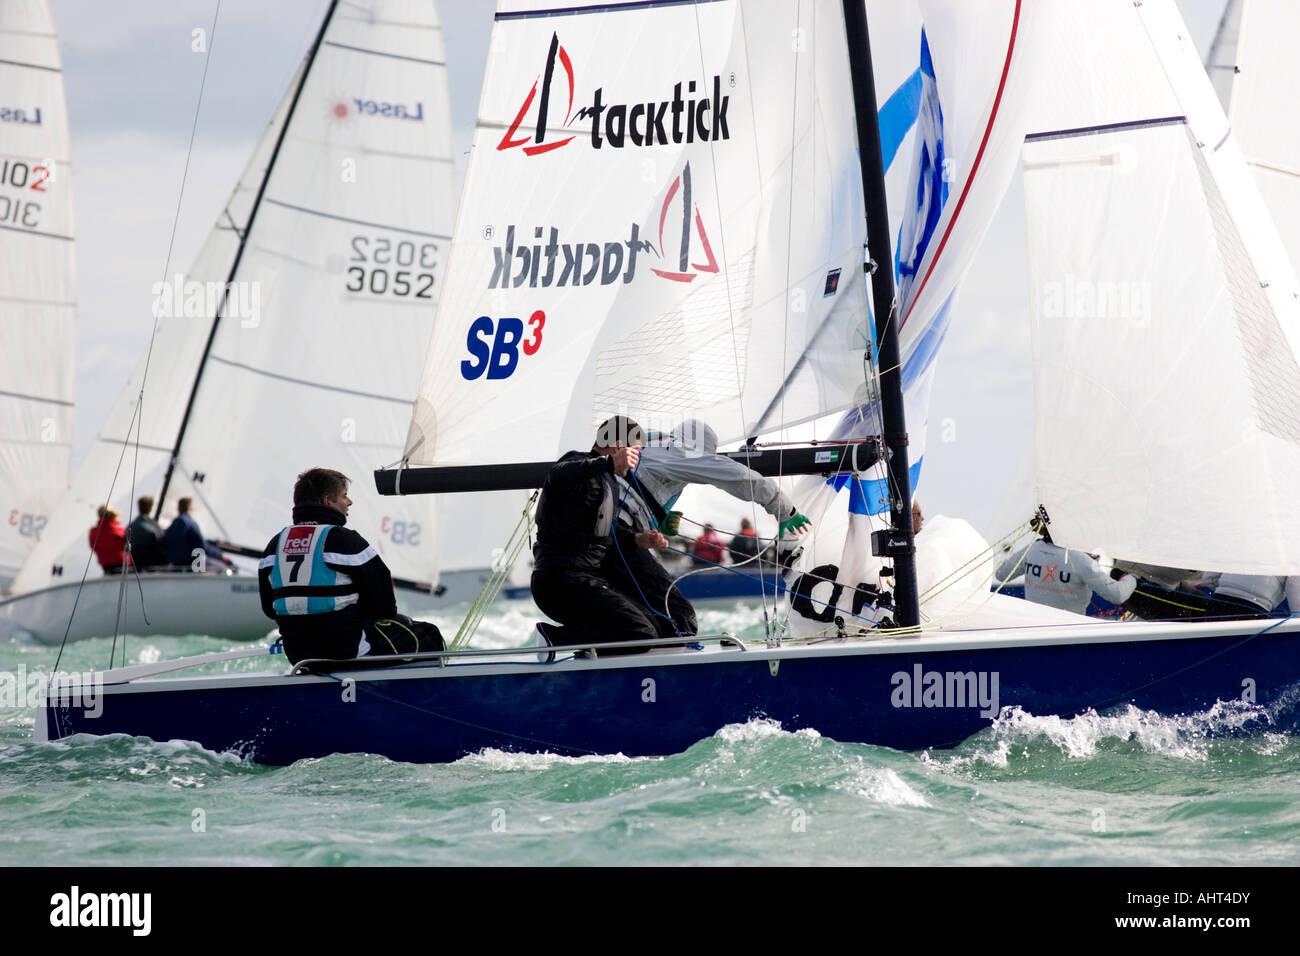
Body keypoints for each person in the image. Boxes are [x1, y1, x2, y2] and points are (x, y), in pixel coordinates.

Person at [258, 468, 443, 667]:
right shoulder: (344, 541)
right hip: (346, 649)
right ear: (328, 501)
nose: (349, 502)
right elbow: (384, 605)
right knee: (428, 635)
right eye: (344, 496)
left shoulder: (274, 545)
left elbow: (270, 609)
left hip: (298, 654)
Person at [530, 416, 675, 656]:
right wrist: (608, 462)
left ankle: (590, 653)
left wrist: (638, 539)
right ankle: (554, 638)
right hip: (560, 581)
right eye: (635, 451)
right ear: (619, 446)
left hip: (586, 578)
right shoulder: (577, 463)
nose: (637, 460)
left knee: (657, 626)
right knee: (640, 634)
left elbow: (603, 529)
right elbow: (557, 475)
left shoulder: (609, 481)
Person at [994, 513, 1137, 616]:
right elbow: (1118, 595)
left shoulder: (1032, 550)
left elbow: (1001, 574)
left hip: (1033, 630)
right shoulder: (1080, 560)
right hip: (1068, 634)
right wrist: (1133, 577)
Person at [163, 497, 232, 570]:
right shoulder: (190, 524)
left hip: (174, 564)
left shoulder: (172, 526)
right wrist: (221, 555)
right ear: (191, 509)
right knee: (228, 568)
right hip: (191, 564)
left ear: (178, 508)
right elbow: (202, 546)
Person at [125, 495, 168, 570]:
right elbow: (161, 541)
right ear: (151, 508)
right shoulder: (154, 526)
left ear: (139, 507)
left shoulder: (130, 526)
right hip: (153, 564)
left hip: (136, 563)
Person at [88, 505, 129, 575]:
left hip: (105, 565)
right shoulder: (120, 530)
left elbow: (93, 546)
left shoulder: (93, 531)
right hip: (122, 564)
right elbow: (127, 546)